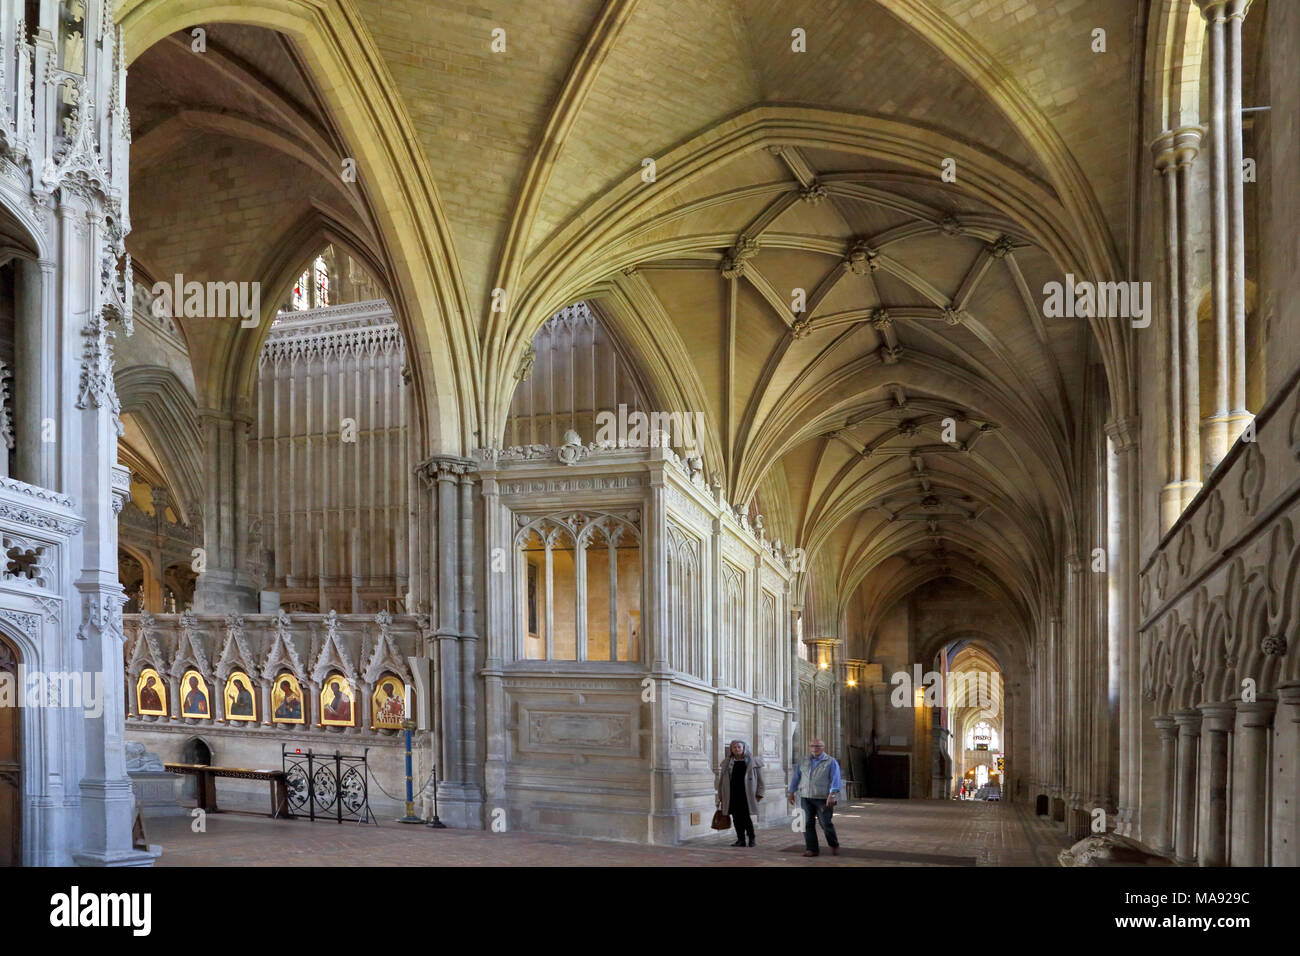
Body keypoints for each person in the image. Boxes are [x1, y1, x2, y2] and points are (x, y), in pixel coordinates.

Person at [787, 738, 842, 857]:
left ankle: (834, 844)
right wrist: (791, 792)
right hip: (805, 797)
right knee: (806, 823)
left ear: (823, 748)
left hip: (823, 797)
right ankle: (812, 849)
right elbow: (796, 777)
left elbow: (835, 779)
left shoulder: (830, 762)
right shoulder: (803, 761)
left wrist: (832, 795)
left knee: (825, 823)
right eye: (812, 746)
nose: (814, 748)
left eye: (818, 746)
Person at [716, 739, 764, 847]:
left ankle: (751, 838)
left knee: (746, 817)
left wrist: (760, 793)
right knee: (736, 818)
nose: (737, 749)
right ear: (731, 749)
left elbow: (761, 780)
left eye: (739, 747)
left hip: (747, 795)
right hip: (731, 794)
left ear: (743, 748)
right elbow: (722, 781)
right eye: (734, 747)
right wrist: (720, 795)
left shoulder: (753, 761)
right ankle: (740, 839)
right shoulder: (727, 762)